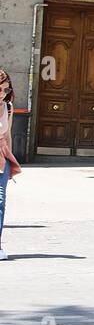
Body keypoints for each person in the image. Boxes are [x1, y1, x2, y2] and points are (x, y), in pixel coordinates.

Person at [0, 66, 19, 262]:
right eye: (0, 89)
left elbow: (8, 135)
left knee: (0, 201)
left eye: (6, 90)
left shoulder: (8, 107)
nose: (3, 94)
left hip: (1, 159)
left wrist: (11, 162)